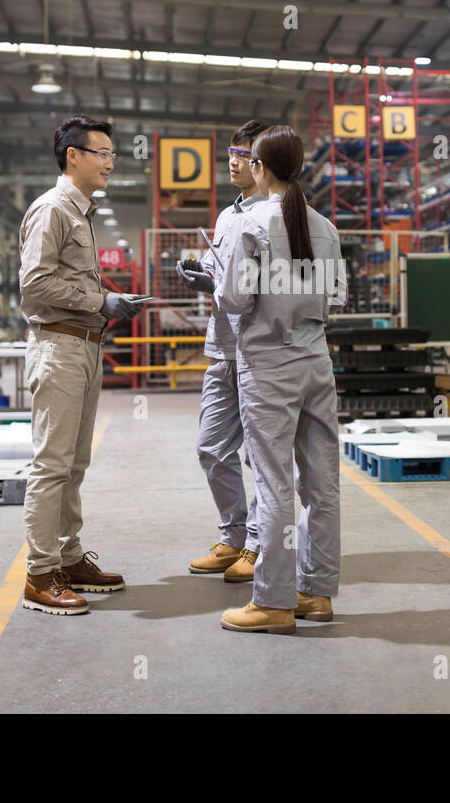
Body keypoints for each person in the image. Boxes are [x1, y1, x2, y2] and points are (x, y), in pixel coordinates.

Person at [210, 124, 347, 634]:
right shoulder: (326, 227)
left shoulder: (252, 224)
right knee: (322, 484)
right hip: (317, 363)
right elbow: (336, 299)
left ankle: (272, 601)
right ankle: (316, 593)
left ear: (261, 168)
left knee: (273, 484)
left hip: (269, 367)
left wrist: (220, 269)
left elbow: (233, 301)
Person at [17, 115, 147, 616]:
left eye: (113, 154)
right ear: (74, 155)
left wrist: (107, 303)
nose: (111, 162)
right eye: (103, 153)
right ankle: (39, 573)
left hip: (85, 347)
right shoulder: (52, 210)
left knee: (74, 464)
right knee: (51, 465)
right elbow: (35, 285)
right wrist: (101, 303)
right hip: (60, 348)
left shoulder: (82, 212)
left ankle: (68, 559)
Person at [176, 120, 268, 583]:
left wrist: (224, 285)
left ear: (264, 159)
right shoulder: (228, 215)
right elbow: (219, 273)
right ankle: (233, 536)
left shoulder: (275, 214)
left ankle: (257, 543)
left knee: (261, 456)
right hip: (222, 347)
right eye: (230, 152)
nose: (233, 161)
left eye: (243, 152)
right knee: (211, 447)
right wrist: (201, 275)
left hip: (259, 350)